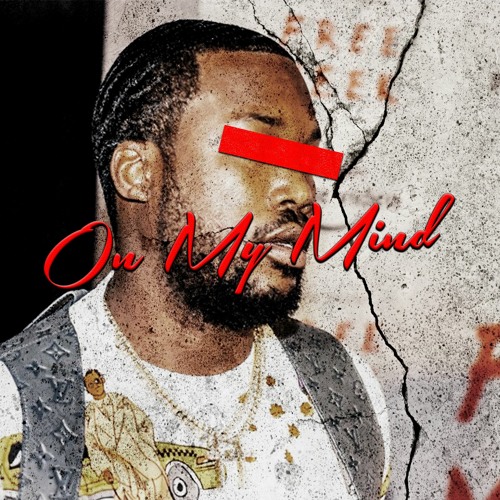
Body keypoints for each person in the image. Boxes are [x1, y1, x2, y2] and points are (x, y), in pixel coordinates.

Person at [0, 20, 390, 499]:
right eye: (257, 149)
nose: (302, 191)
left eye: (307, 158)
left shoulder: (346, 392)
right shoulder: (18, 407)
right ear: (137, 173)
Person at [83, 369, 169, 499]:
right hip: (117, 463)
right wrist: (104, 468)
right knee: (133, 493)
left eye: (97, 381)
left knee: (157, 484)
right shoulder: (89, 415)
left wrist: (146, 445)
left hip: (140, 454)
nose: (96, 386)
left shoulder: (121, 401)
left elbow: (144, 422)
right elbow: (92, 445)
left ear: (103, 380)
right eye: (91, 385)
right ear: (87, 390)